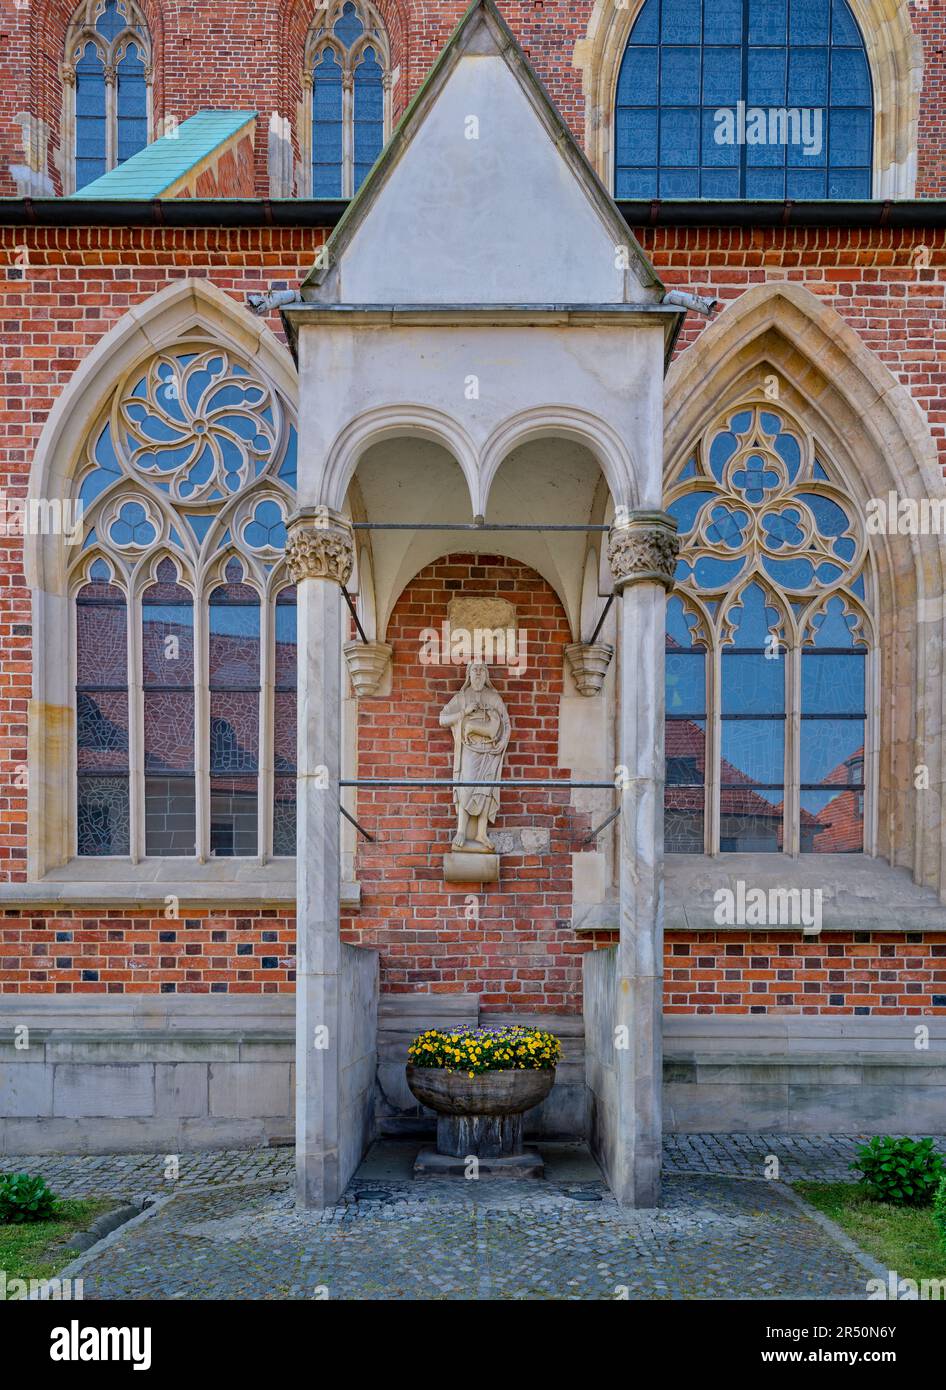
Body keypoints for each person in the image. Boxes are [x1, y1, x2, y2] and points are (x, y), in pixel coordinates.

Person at [438, 660, 511, 852]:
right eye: (474, 670)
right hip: (469, 751)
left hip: (491, 751)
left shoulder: (494, 697)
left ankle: (481, 832)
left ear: (486, 675)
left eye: (481, 670)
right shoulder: (461, 697)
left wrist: (503, 741)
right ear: (468, 674)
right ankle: (461, 831)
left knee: (487, 788)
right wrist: (464, 712)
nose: (478, 673)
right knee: (467, 786)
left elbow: (506, 722)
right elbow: (443, 718)